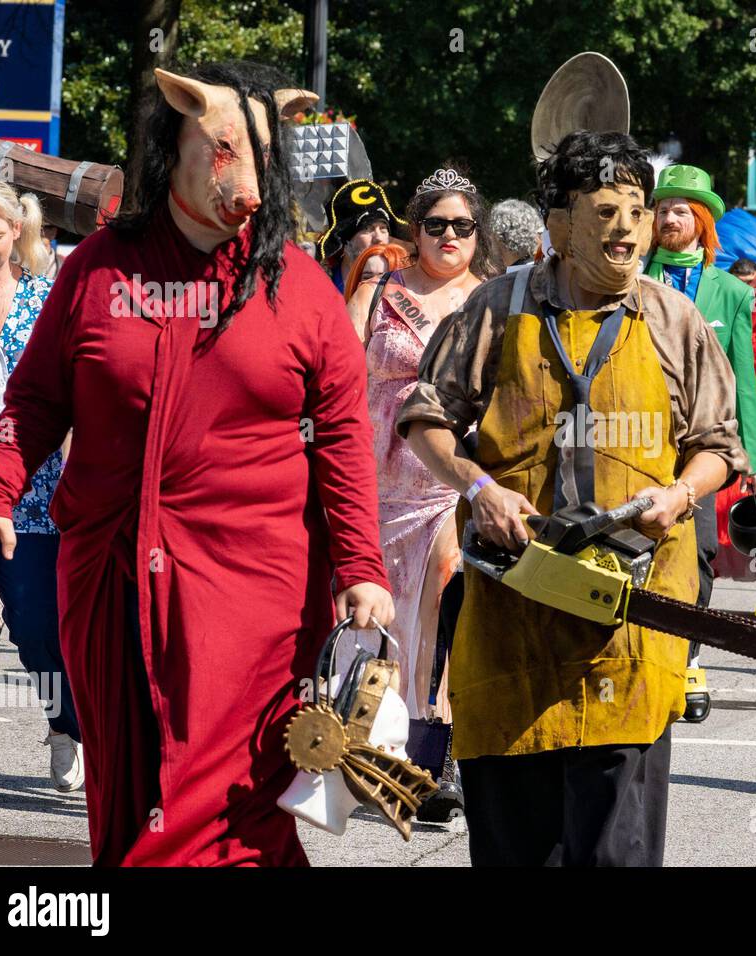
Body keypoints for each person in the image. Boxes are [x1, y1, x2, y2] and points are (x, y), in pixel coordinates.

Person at [0, 62, 392, 866]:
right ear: (178, 144)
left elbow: (342, 436)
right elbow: (34, 402)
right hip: (109, 590)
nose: (247, 183)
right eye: (225, 152)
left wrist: (361, 567)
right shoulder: (97, 269)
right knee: (128, 798)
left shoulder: (300, 292)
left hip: (254, 602)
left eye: (260, 159)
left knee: (223, 808)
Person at [399, 129, 746, 865]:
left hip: (630, 623)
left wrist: (682, 495)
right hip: (511, 615)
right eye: (606, 211)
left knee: (613, 852)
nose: (627, 228)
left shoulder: (674, 319)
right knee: (516, 848)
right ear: (558, 225)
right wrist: (481, 487)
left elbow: (719, 444)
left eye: (638, 211)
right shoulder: (494, 309)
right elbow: (424, 419)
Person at [346, 168, 493, 819]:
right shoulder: (383, 288)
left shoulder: (492, 297)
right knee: (378, 622)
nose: (450, 236)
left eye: (463, 225)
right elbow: (340, 362)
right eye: (437, 224)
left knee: (444, 589)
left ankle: (441, 756)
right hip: (376, 480)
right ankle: (372, 751)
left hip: (446, 483)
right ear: (417, 229)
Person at [0, 176, 82, 791]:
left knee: (56, 623)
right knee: (21, 622)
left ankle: (72, 725)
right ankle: (67, 721)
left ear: (18, 234)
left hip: (42, 492)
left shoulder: (46, 301)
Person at [644, 164, 756, 720]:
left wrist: (751, 455)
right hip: (638, 436)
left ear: (703, 222)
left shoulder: (732, 292)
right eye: (662, 208)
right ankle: (642, 657)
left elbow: (744, 374)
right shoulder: (629, 277)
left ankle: (688, 660)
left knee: (703, 555)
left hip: (705, 446)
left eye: (680, 210)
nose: (668, 217)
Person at [317, 178, 414, 295]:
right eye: (368, 229)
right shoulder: (321, 286)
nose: (379, 238)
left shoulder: (406, 285)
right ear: (346, 239)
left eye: (383, 229)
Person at [489, 198, 544, 270]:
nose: (490, 237)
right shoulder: (551, 272)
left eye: (491, 232)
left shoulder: (508, 280)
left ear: (498, 236)